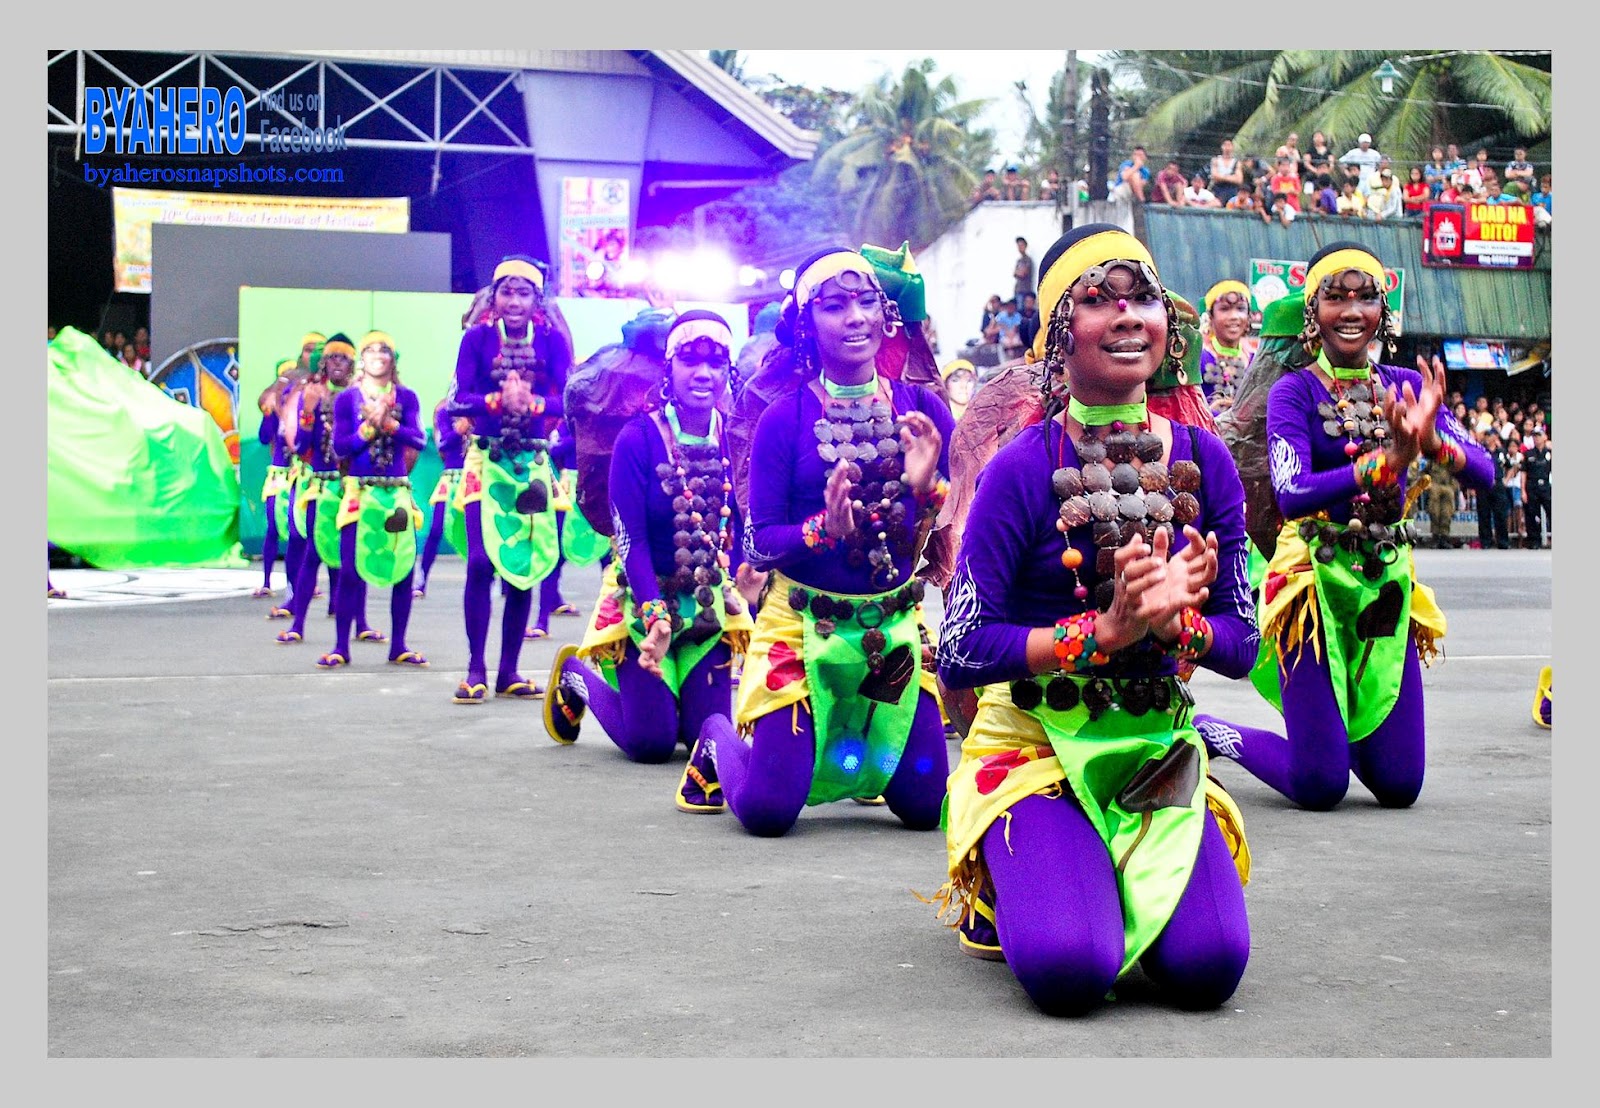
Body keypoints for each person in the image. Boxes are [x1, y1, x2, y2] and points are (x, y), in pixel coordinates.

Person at [932, 223, 1254, 1015]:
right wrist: (1099, 634)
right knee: (1073, 968)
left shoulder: (1205, 460)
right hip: (1038, 744)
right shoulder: (1020, 468)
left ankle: (1072, 874)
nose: (1127, 315)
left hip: (1152, 744)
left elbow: (1242, 642)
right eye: (1099, 299)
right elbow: (963, 647)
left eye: (1142, 297)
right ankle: (1012, 874)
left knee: (1209, 967)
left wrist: (1179, 628)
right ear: (1058, 334)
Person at [1195, 241, 1494, 811]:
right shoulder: (1294, 391)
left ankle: (1330, 735)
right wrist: (1386, 462)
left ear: (1383, 310)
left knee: (1400, 785)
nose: (1352, 311)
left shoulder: (1404, 384)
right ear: (1314, 311)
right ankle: (1217, 731)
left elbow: (1486, 471)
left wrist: (1431, 441)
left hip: (1385, 584)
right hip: (1310, 585)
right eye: (1335, 297)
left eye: (1365, 298)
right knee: (1321, 786)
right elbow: (1292, 491)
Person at [701, 246, 955, 838]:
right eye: (835, 305)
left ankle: (850, 754)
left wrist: (930, 489)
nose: (855, 317)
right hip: (802, 628)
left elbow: (960, 523)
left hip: (890, 632)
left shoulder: (922, 408)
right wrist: (824, 530)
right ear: (807, 324)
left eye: (866, 301)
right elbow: (760, 542)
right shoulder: (782, 419)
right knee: (768, 812)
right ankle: (715, 740)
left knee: (925, 807)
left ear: (885, 313)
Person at [543, 311, 762, 812]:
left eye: (716, 362)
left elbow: (745, 519)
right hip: (641, 601)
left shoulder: (734, 438)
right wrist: (653, 612)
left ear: (728, 370)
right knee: (653, 744)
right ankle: (576, 676)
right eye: (690, 360)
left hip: (707, 607)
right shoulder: (637, 438)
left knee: (706, 731)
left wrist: (749, 575)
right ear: (669, 368)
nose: (703, 373)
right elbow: (631, 539)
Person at [447, 254, 572, 703]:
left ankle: (509, 671)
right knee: (480, 564)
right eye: (506, 292)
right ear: (494, 297)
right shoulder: (477, 339)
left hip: (532, 465)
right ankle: (475, 668)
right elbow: (458, 400)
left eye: (523, 293)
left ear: (537, 300)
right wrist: (496, 401)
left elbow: (570, 399)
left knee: (522, 568)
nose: (514, 301)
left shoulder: (552, 341)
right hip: (485, 460)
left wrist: (534, 404)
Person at [315, 331, 430, 670]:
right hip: (360, 492)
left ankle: (399, 645)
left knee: (403, 569)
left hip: (396, 492)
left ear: (393, 360)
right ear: (362, 359)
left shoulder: (406, 397)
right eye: (371, 350)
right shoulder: (347, 400)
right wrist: (368, 428)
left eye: (385, 350)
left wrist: (390, 425)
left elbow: (419, 439)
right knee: (351, 571)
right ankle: (341, 646)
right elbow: (341, 447)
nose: (378, 355)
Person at [275, 333, 379, 647]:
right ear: (323, 362)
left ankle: (361, 623)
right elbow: (301, 445)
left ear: (353, 363)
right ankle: (298, 624)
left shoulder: (361, 396)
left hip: (352, 488)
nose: (338, 363)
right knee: (313, 553)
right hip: (320, 486)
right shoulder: (312, 394)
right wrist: (308, 413)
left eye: (344, 358)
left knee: (356, 557)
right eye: (333, 357)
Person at [253, 358, 298, 601]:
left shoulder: (302, 410)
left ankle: (300, 584)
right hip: (279, 475)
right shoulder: (275, 409)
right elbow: (263, 437)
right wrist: (269, 413)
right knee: (273, 528)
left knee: (299, 532)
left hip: (299, 476)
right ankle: (267, 581)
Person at [415, 397, 469, 599]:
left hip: (478, 477)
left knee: (485, 530)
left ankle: (501, 581)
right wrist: (459, 431)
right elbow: (444, 444)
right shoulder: (445, 411)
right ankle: (422, 578)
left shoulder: (482, 411)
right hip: (452, 478)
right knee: (436, 528)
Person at [1199, 280, 1252, 415]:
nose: (1234, 316)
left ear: (1249, 316)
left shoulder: (1256, 361)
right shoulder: (1199, 359)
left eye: (1240, 309)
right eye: (1224, 309)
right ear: (1210, 316)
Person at [1522, 428, 1551, 548]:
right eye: (1534, 436)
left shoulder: (1549, 453)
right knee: (1532, 514)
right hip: (1532, 486)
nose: (1536, 438)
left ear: (1544, 437)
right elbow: (1524, 472)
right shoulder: (1528, 454)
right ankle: (1534, 541)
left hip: (1546, 485)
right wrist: (1523, 490)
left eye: (1539, 435)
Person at [1208, 137, 1244, 206]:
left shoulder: (1237, 162)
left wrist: (1222, 177)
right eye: (1225, 145)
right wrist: (1232, 177)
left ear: (1232, 147)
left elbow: (1239, 179)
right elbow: (1214, 176)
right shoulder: (1216, 160)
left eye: (1229, 145)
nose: (1227, 148)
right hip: (1218, 189)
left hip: (1232, 190)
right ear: (1222, 147)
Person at [1013, 237, 1035, 306]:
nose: (1020, 248)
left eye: (1021, 245)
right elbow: (1014, 273)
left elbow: (1023, 274)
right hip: (1017, 290)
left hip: (1025, 291)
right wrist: (1017, 272)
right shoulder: (1019, 260)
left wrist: (1018, 272)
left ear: (1025, 246)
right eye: (1018, 246)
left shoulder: (1027, 260)